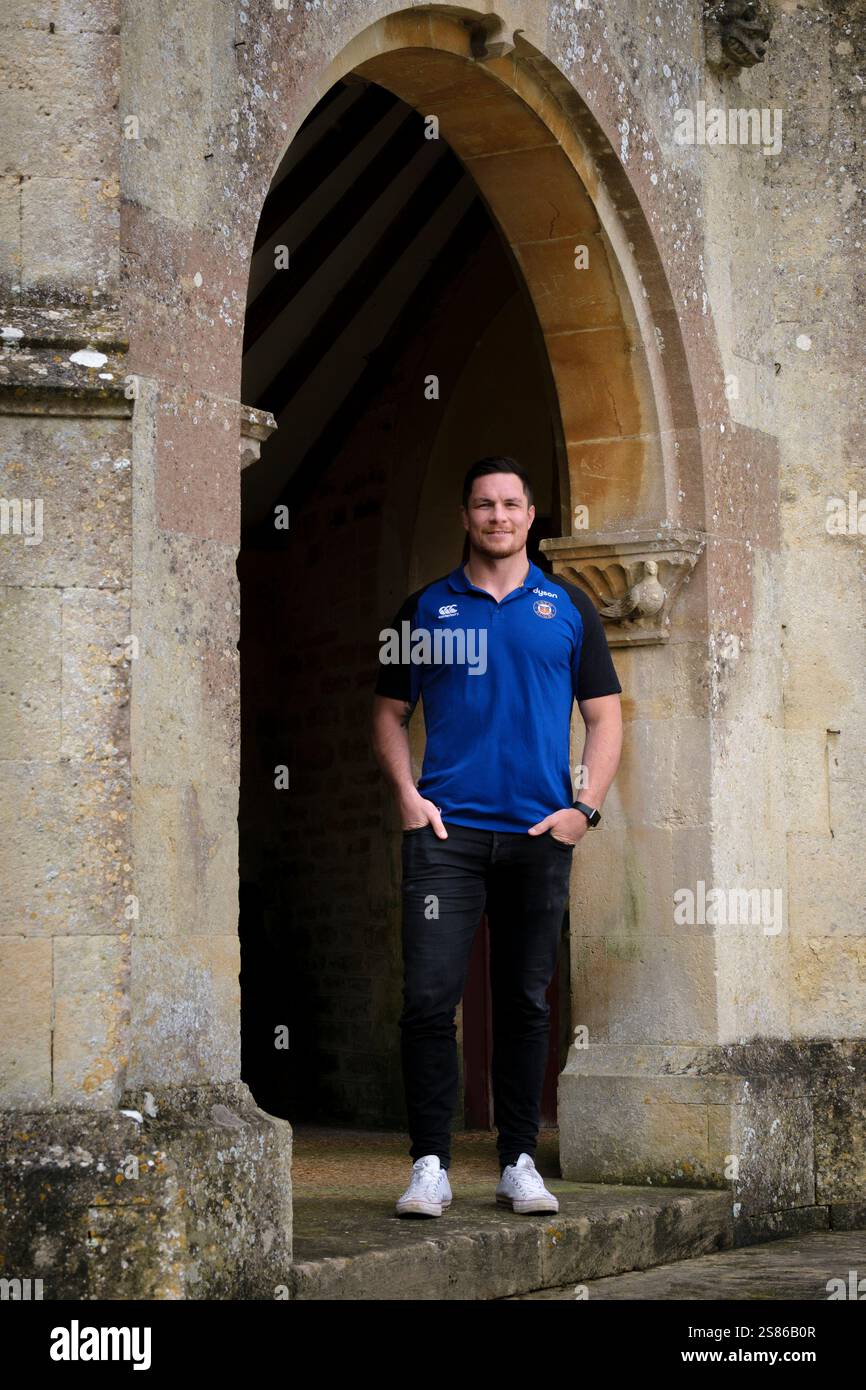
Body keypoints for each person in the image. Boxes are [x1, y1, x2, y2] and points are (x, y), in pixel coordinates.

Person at [371, 456, 623, 1217]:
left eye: (511, 505)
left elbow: (606, 715)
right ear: (466, 516)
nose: (498, 517)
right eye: (484, 505)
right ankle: (430, 1167)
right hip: (445, 837)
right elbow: (388, 714)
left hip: (537, 836)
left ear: (531, 514)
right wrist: (409, 798)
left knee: (525, 1002)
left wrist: (585, 808)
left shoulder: (568, 608)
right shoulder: (422, 611)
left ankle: (518, 1160)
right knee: (427, 1000)